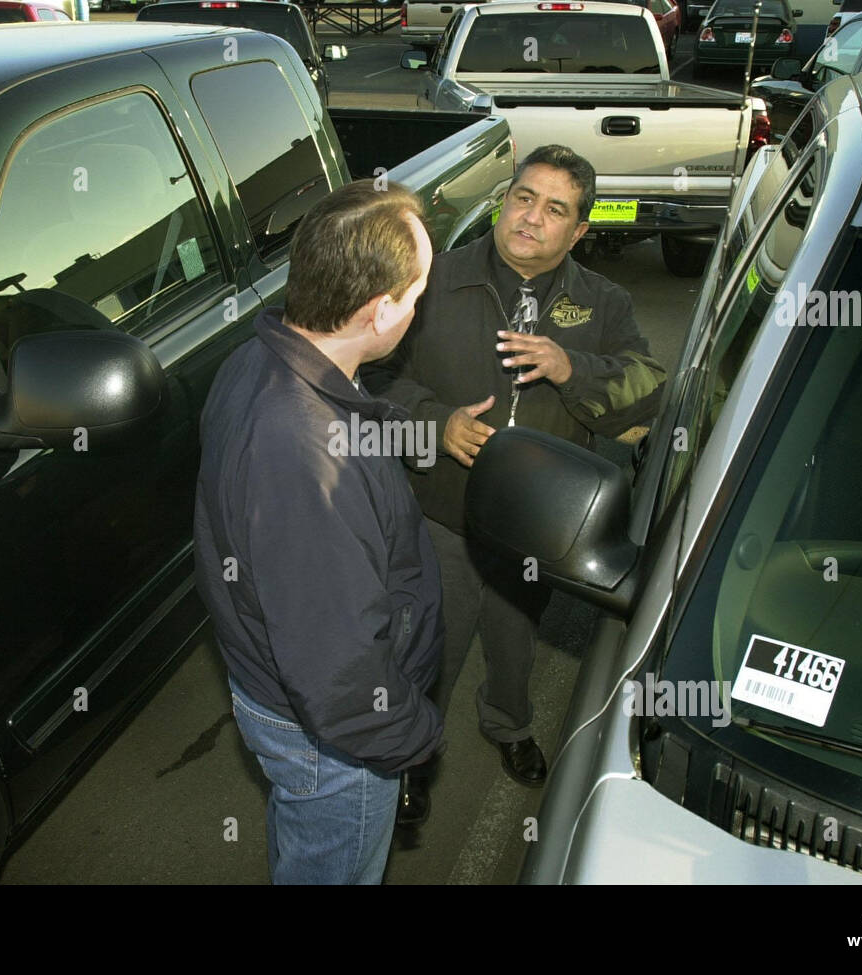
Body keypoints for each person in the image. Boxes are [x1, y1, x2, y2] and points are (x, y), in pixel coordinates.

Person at [364, 144, 666, 825]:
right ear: (505, 199)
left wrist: (572, 368)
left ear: (581, 230)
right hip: (440, 509)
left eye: (555, 209)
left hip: (536, 523)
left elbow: (646, 389)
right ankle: (411, 753)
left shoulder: (604, 302)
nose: (531, 217)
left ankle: (508, 724)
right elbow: (372, 378)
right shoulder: (433, 280)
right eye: (523, 197)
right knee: (426, 640)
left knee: (514, 636)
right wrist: (432, 422)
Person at [192, 180, 445, 884]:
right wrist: (414, 734)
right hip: (335, 746)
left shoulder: (264, 355)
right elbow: (337, 675)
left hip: (284, 706)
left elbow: (342, 409)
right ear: (380, 309)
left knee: (304, 843)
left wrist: (403, 428)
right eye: (416, 296)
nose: (419, 308)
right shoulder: (304, 461)